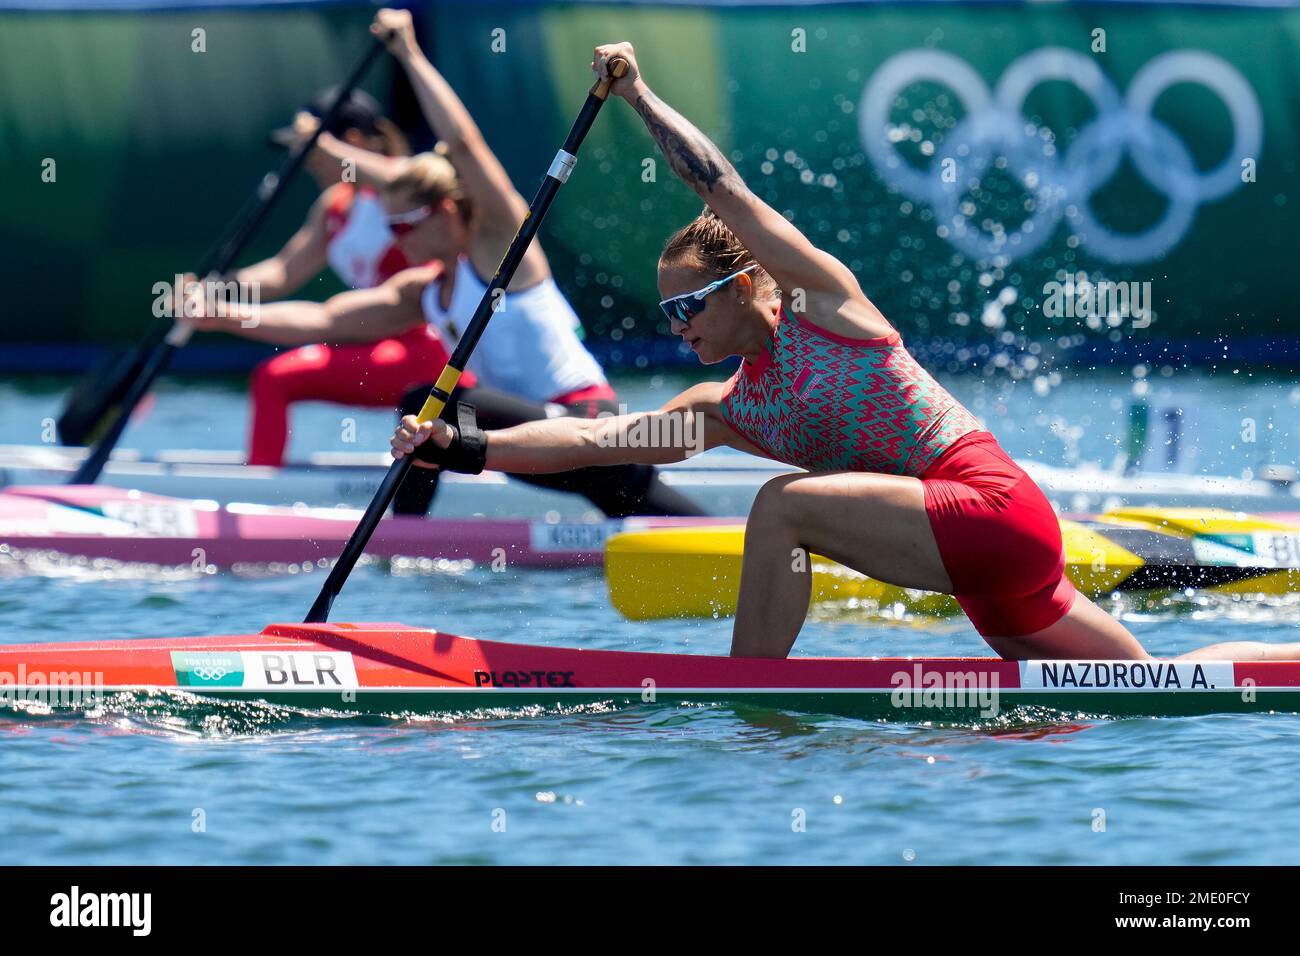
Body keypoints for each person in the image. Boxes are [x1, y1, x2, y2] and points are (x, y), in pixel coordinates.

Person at [391, 41, 1300, 664]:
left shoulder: (830, 304)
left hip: (996, 512)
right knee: (1150, 683)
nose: (682, 328)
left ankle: (747, 691)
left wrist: (635, 95)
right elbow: (594, 441)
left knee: (782, 505)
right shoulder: (731, 408)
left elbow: (720, 185)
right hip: (987, 576)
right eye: (669, 316)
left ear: (749, 284)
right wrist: (461, 446)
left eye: (694, 304)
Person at [187, 11, 703, 519]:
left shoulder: (501, 252)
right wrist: (222, 313)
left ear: (448, 210)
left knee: (431, 401)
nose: (396, 237)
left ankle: (405, 538)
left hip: (590, 427)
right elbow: (322, 320)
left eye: (406, 224)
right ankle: (410, 547)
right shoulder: (421, 291)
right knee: (440, 418)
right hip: (530, 443)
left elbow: (463, 144)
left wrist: (407, 51)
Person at [200, 87, 462, 467]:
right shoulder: (336, 205)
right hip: (370, 340)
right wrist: (217, 290)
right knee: (273, 377)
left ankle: (259, 493)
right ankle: (262, 476)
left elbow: (398, 174)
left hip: (430, 351)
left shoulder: (404, 190)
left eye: (311, 153)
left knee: (275, 377)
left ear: (350, 142)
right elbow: (282, 273)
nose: (306, 163)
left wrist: (324, 144)